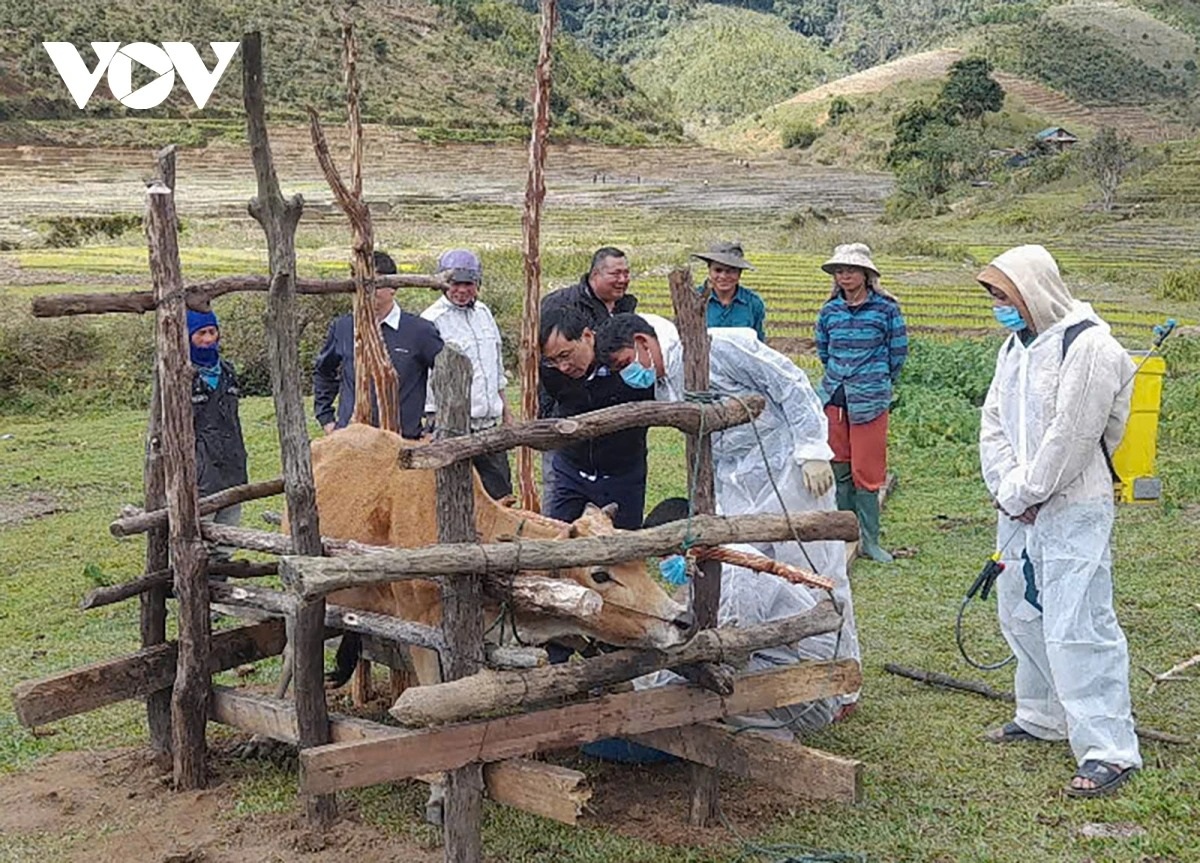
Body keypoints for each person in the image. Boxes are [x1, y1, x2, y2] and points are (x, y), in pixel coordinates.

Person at [593, 312, 860, 689]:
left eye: (625, 363)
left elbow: (789, 382)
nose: (627, 374)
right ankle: (775, 660)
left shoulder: (720, 346)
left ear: (642, 341)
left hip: (789, 472)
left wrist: (812, 447)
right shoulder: (667, 383)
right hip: (737, 487)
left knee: (816, 573)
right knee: (747, 571)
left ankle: (841, 676)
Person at [977, 244, 1140, 798]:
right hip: (1020, 504)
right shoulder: (1015, 346)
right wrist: (1007, 487)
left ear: (1032, 290)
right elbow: (993, 420)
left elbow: (1072, 435)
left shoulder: (1088, 344)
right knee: (1020, 610)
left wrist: (1028, 489)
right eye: (994, 297)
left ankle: (1108, 748)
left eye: (1003, 296)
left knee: (1079, 621)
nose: (998, 306)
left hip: (1073, 504)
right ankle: (1042, 713)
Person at [637, 497, 857, 737]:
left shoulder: (733, 575)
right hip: (778, 664)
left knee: (710, 679)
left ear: (687, 544)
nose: (663, 565)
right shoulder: (704, 568)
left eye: (665, 556)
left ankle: (771, 737)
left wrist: (655, 681)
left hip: (809, 694)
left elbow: (730, 651)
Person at [815, 242, 908, 563]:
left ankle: (869, 540)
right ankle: (844, 533)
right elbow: (824, 350)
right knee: (838, 465)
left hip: (870, 399)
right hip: (835, 397)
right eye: (840, 271)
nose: (844, 276)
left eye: (851, 270)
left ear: (867, 274)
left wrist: (877, 381)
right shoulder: (830, 311)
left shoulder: (886, 309)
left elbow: (897, 353)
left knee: (866, 471)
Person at [537, 305, 654, 529]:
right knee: (557, 539)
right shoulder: (551, 371)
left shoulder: (622, 361)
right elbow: (549, 403)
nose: (563, 366)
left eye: (566, 355)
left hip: (622, 472)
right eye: (553, 360)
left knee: (621, 548)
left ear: (588, 336)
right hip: (570, 468)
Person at [539, 246, 638, 501]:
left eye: (626, 273)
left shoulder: (626, 307)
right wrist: (552, 411)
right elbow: (543, 362)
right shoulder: (560, 304)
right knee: (562, 494)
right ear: (595, 274)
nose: (623, 279)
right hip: (567, 416)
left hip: (613, 420)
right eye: (615, 274)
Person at [313, 250, 443, 440]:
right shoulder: (343, 327)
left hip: (402, 444)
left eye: (375, 285)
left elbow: (448, 375)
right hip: (350, 443)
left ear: (393, 287)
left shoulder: (420, 330)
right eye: (360, 285)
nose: (367, 293)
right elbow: (324, 372)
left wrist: (436, 428)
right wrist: (327, 420)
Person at [421, 249, 513, 500]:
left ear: (477, 283)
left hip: (489, 425)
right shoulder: (431, 320)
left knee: (501, 496)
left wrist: (506, 410)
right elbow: (427, 378)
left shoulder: (484, 313)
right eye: (455, 283)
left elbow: (496, 365)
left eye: (468, 284)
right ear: (442, 283)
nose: (462, 290)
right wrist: (430, 421)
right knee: (456, 497)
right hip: (453, 427)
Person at [187, 307, 248, 562]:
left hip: (232, 465)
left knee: (226, 537)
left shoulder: (227, 371)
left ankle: (221, 590)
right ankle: (197, 595)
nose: (208, 339)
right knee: (199, 537)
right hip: (200, 471)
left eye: (212, 331)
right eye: (201, 333)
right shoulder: (181, 374)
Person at [693, 241, 767, 342]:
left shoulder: (753, 304)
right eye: (718, 270)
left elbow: (758, 344)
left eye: (730, 271)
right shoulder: (693, 299)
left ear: (739, 273)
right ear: (709, 270)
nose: (723, 276)